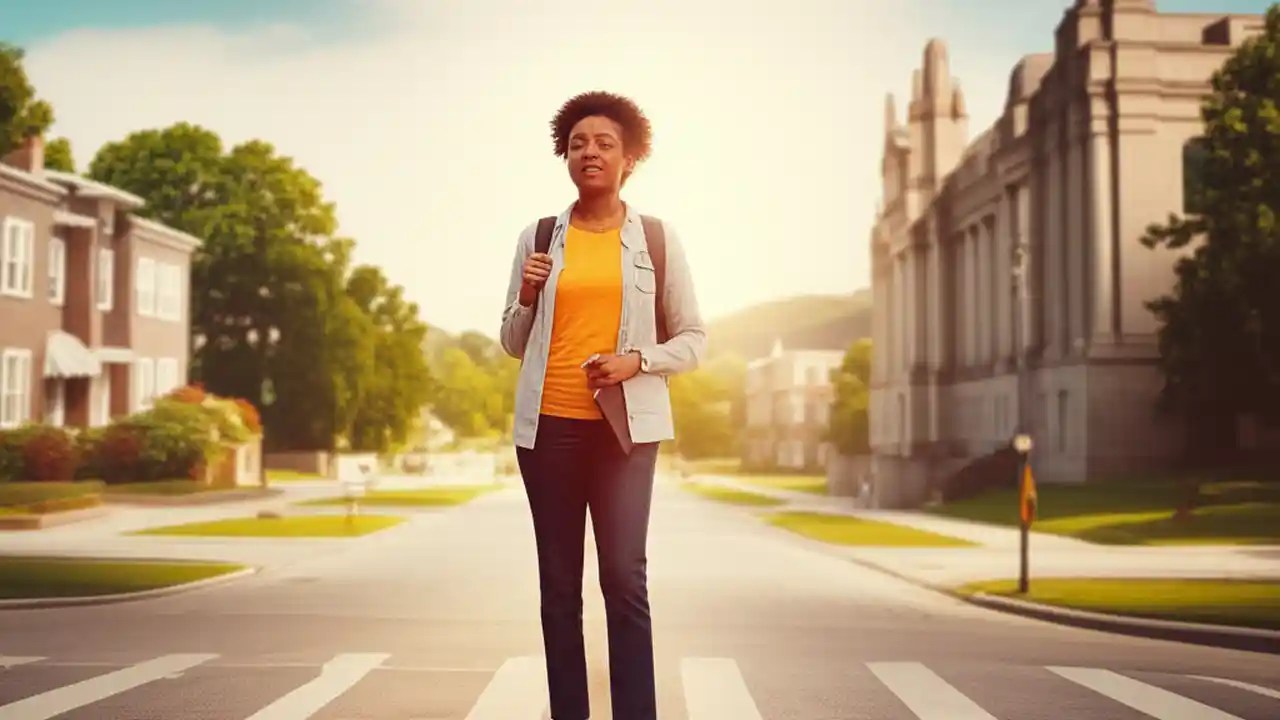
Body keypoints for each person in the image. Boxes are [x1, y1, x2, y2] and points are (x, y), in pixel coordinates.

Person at [498, 90, 706, 720]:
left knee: (623, 581)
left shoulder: (659, 241)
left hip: (624, 432)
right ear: (566, 155)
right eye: (579, 143)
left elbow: (693, 341)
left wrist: (637, 360)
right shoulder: (537, 237)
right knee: (559, 590)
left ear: (630, 159)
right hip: (548, 431)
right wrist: (529, 295)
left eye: (605, 143)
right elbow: (512, 341)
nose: (590, 152)